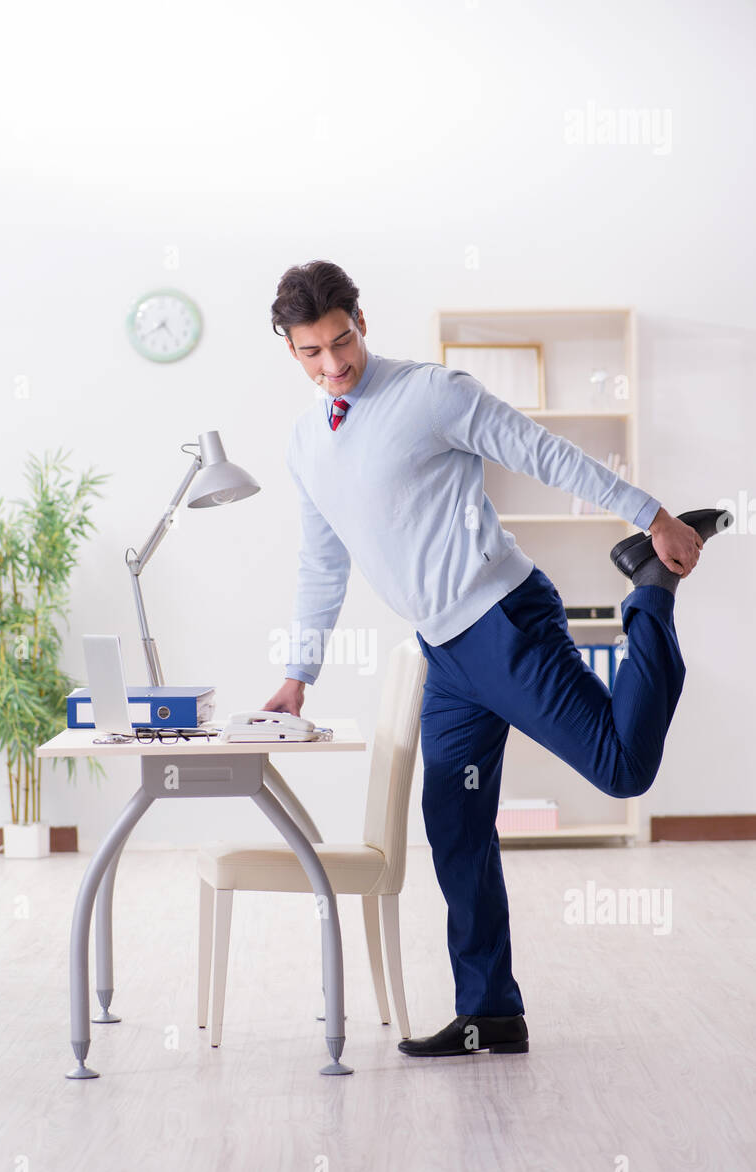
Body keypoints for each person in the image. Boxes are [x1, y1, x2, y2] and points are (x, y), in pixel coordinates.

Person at [262, 259, 732, 1059]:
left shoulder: (430, 394)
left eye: (340, 342)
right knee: (455, 830)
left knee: (622, 769)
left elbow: (538, 451)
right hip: (443, 655)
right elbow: (322, 565)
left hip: (501, 622)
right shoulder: (307, 444)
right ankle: (490, 1011)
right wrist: (296, 676)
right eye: (312, 352)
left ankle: (649, 592)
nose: (332, 364)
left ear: (361, 322)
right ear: (291, 351)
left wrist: (650, 515)